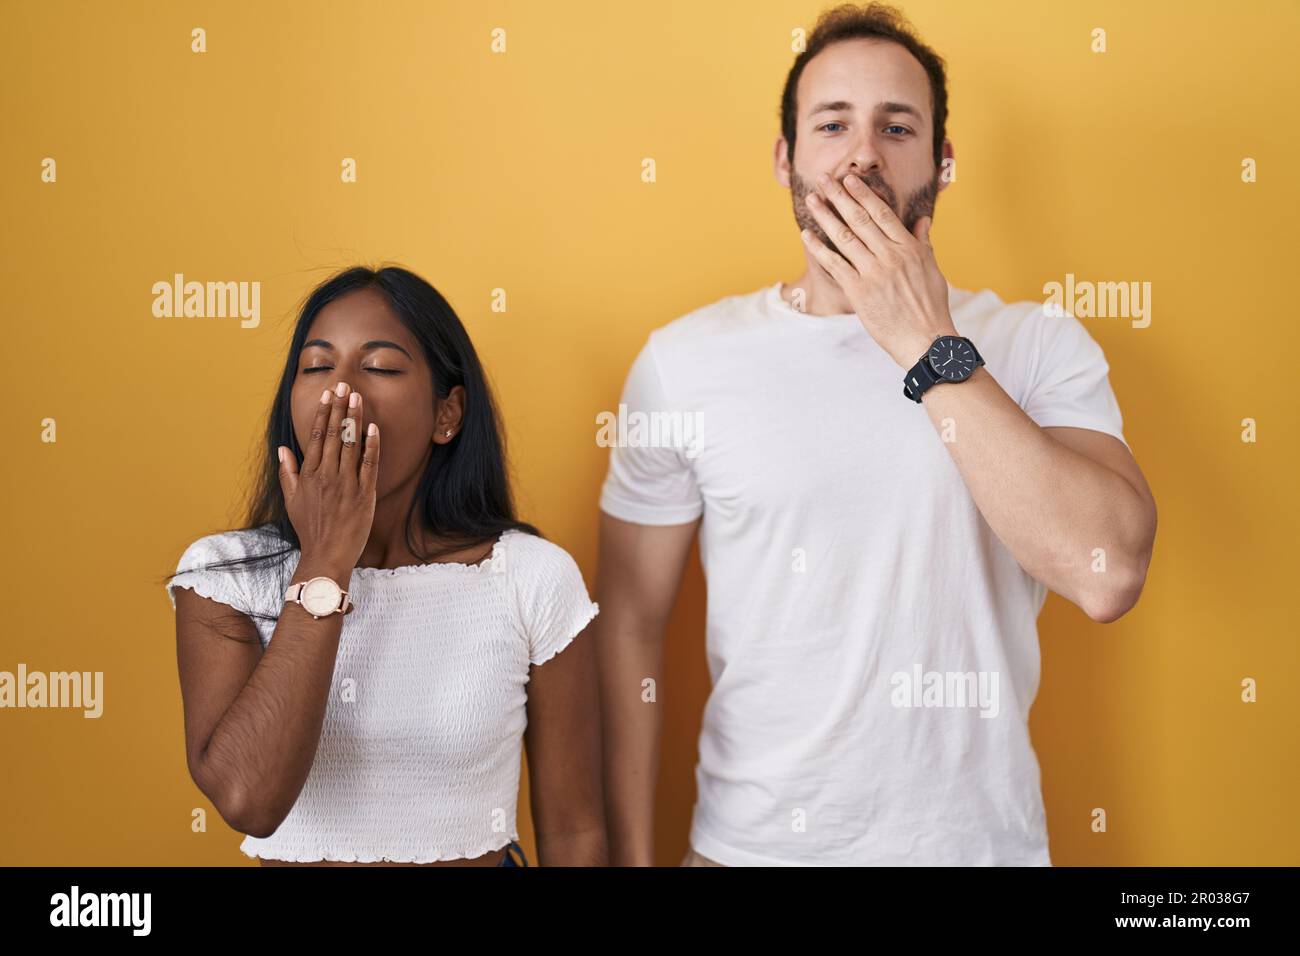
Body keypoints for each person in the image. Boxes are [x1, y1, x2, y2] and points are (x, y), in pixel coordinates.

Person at [594, 3, 1157, 867]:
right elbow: (630, 624)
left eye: (898, 127)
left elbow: (1109, 573)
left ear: (942, 160)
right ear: (787, 157)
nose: (862, 155)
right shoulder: (683, 364)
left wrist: (929, 347)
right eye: (832, 125)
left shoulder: (1038, 345)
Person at [165, 265, 605, 866]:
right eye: (317, 367)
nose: (340, 393)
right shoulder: (224, 577)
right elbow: (249, 800)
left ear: (446, 414)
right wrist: (326, 559)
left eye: (380, 368)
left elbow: (575, 831)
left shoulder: (531, 576)